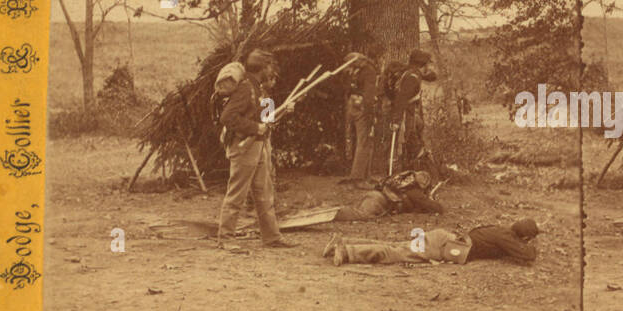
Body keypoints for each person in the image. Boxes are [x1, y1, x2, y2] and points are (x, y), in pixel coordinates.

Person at [216, 49, 295, 248]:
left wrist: (285, 109)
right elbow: (227, 117)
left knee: (264, 194)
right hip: (243, 147)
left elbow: (267, 120)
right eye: (269, 66)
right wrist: (254, 128)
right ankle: (225, 239)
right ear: (262, 68)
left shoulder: (259, 88)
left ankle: (272, 238)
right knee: (237, 194)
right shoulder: (245, 88)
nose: (271, 70)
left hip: (258, 146)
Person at [322, 218, 538, 266]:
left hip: (445, 237)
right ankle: (347, 251)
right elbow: (527, 255)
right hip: (446, 246)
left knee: (397, 245)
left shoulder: (498, 229)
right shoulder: (507, 238)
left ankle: (344, 242)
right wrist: (532, 246)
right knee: (395, 254)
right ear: (524, 237)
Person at [386, 48, 437, 171]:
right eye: (426, 64)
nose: (428, 67)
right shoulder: (412, 78)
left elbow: (432, 77)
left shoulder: (411, 73)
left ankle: (413, 170)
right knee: (411, 142)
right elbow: (401, 100)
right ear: (421, 64)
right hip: (407, 116)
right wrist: (396, 120)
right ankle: (416, 172)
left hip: (411, 115)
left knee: (412, 142)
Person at [336, 169, 444, 220]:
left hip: (377, 196)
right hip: (379, 200)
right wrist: (431, 199)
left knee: (356, 211)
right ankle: (331, 214)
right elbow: (438, 209)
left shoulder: (405, 181)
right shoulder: (413, 190)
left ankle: (329, 211)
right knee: (361, 215)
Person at [343, 48, 381, 189]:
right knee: (364, 142)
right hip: (362, 106)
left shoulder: (351, 72)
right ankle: (358, 178)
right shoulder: (369, 71)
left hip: (352, 104)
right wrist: (371, 114)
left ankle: (364, 175)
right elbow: (369, 95)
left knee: (359, 141)